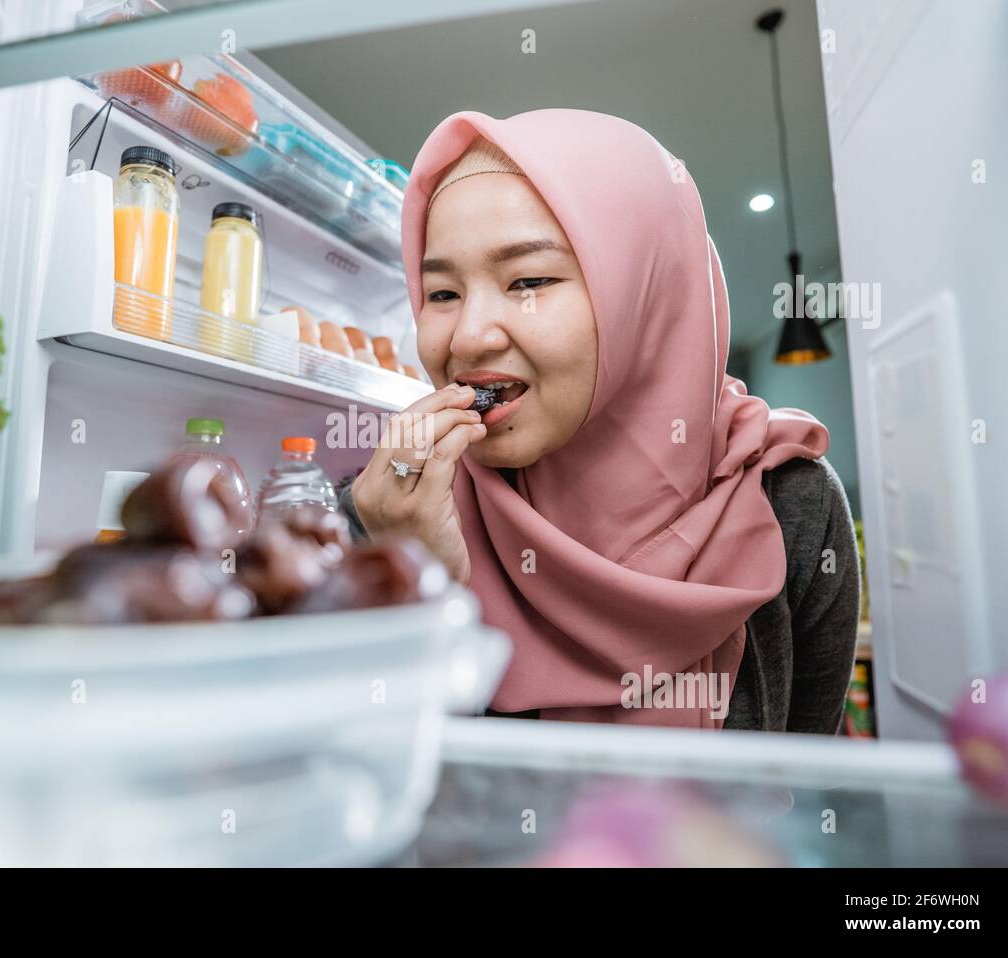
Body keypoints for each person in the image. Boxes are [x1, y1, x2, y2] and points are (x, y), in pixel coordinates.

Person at [338, 110, 860, 733]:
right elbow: (382, 791)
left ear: (647, 296)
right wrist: (417, 586)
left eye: (528, 281)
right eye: (442, 294)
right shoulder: (389, 512)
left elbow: (813, 791)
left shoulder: (790, 501)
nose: (469, 337)